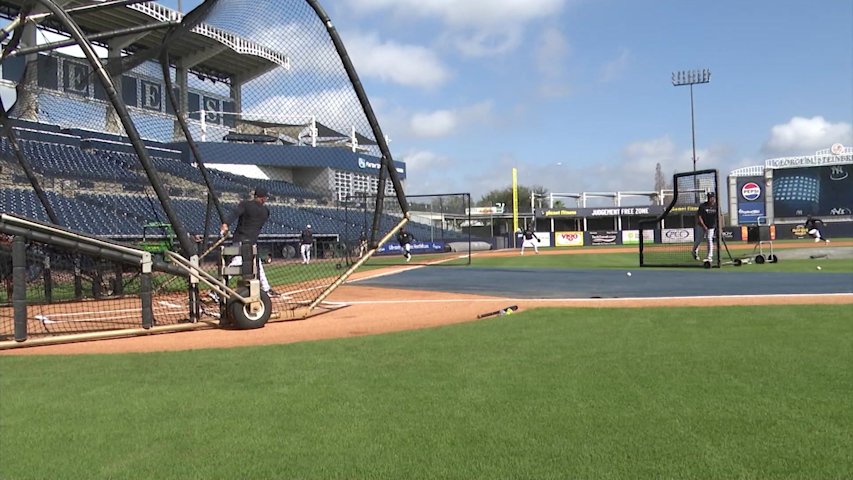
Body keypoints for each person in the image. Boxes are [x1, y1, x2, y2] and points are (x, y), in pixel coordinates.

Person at [219, 186, 278, 298]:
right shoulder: (265, 211)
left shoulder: (246, 205)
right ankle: (217, 289)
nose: (265, 200)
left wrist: (226, 224)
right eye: (265, 198)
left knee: (256, 264)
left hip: (242, 239)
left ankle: (266, 288)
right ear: (262, 198)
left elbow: (235, 214)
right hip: (248, 241)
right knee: (240, 262)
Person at [691, 192, 718, 262]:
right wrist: (703, 226)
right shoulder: (703, 206)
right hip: (701, 225)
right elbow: (699, 217)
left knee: (709, 239)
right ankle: (694, 251)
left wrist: (720, 226)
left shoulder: (716, 206)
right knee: (698, 240)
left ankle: (709, 257)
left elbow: (720, 216)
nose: (711, 199)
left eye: (712, 197)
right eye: (710, 197)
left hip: (711, 226)